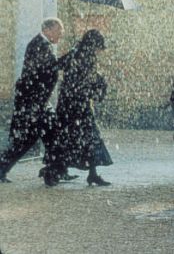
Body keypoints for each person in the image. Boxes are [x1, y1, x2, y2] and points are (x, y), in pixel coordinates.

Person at [0, 17, 76, 185]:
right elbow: (48, 69)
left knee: (49, 135)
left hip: (38, 102)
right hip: (33, 102)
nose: (60, 35)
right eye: (58, 31)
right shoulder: (38, 45)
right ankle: (54, 171)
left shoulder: (43, 44)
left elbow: (49, 69)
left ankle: (56, 170)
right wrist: (69, 56)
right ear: (47, 30)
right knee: (31, 139)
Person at [55, 29, 112, 186]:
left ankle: (58, 168)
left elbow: (59, 65)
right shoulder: (85, 56)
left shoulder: (77, 53)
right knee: (89, 138)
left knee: (71, 137)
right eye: (98, 47)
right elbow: (86, 80)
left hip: (68, 104)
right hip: (78, 104)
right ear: (94, 45)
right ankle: (60, 170)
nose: (99, 51)